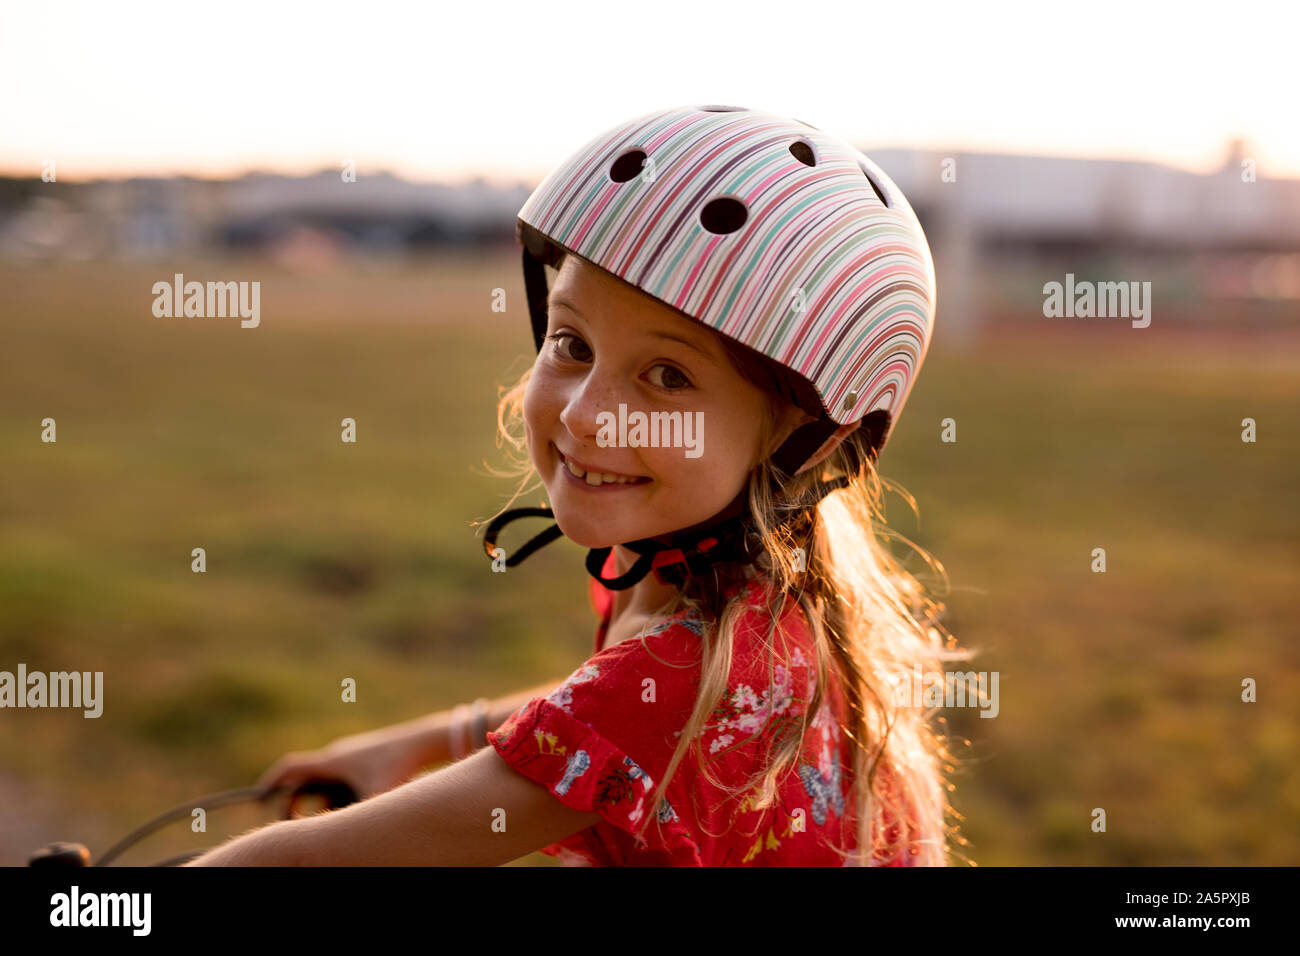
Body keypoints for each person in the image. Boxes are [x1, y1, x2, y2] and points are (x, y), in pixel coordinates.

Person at [187, 104, 973, 866]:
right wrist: (419, 742)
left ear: (808, 440)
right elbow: (597, 709)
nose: (589, 412)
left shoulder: (689, 675)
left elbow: (311, 865)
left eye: (666, 376)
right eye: (571, 342)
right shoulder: (750, 605)